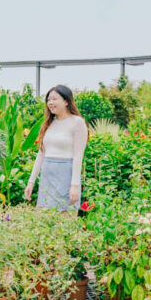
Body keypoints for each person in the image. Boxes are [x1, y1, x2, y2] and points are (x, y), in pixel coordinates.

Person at [24, 85, 88, 213]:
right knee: (43, 219)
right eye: (48, 100)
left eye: (54, 99)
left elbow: (78, 156)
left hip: (66, 175)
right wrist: (31, 182)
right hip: (47, 175)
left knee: (65, 219)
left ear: (66, 101)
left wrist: (74, 185)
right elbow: (41, 155)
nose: (50, 103)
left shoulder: (77, 122)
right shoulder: (49, 123)